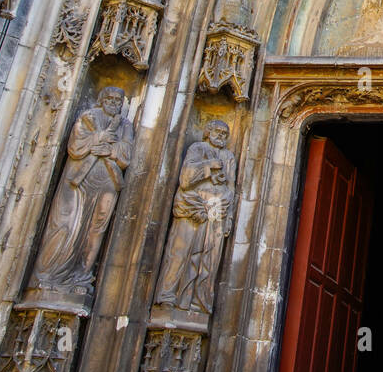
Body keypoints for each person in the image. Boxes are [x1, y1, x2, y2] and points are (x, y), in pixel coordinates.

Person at [29, 86, 134, 294]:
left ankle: (81, 277)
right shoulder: (89, 117)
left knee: (94, 231)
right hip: (79, 180)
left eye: (118, 101)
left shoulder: (125, 125)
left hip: (107, 182)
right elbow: (75, 146)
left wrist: (111, 150)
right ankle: (46, 275)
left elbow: (126, 152)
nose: (114, 104)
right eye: (110, 99)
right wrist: (99, 138)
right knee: (66, 225)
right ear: (102, 100)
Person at [153, 121, 236, 314]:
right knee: (182, 250)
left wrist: (229, 216)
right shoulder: (198, 148)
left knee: (210, 254)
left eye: (225, 133)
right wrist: (209, 166)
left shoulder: (228, 156)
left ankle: (197, 302)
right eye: (218, 131)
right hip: (193, 203)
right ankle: (168, 297)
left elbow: (231, 186)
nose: (222, 136)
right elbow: (186, 179)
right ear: (207, 132)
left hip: (218, 206)